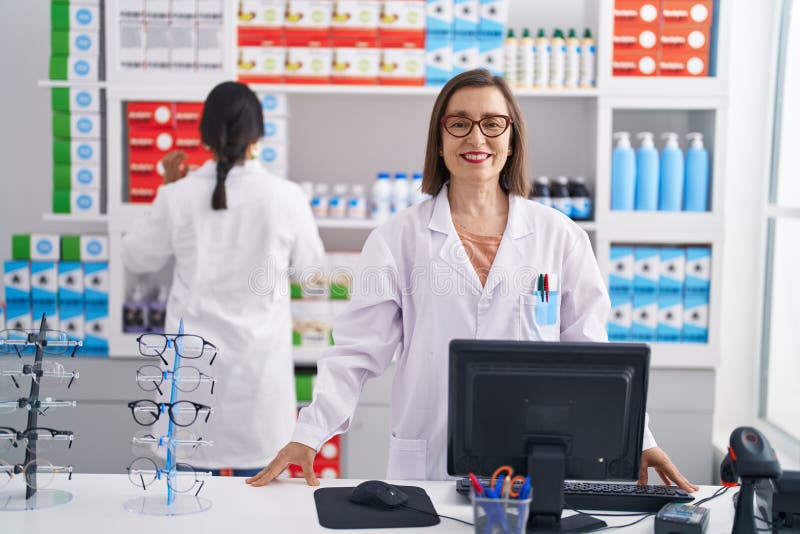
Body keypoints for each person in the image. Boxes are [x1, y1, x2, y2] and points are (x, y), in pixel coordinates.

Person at [245, 69, 698, 492]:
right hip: (430, 462)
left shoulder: (561, 237)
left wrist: (639, 439)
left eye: (492, 123)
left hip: (532, 461)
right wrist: (309, 433)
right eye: (459, 123)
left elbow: (593, 356)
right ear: (439, 140)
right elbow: (356, 352)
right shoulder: (398, 237)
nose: (476, 137)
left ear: (512, 139)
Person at [121, 81, 324, 476]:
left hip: (193, 379)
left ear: (205, 135)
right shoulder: (285, 197)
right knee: (260, 511)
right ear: (258, 135)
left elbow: (136, 256)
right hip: (258, 379)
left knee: (188, 508)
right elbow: (312, 272)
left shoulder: (178, 195)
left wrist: (166, 188)